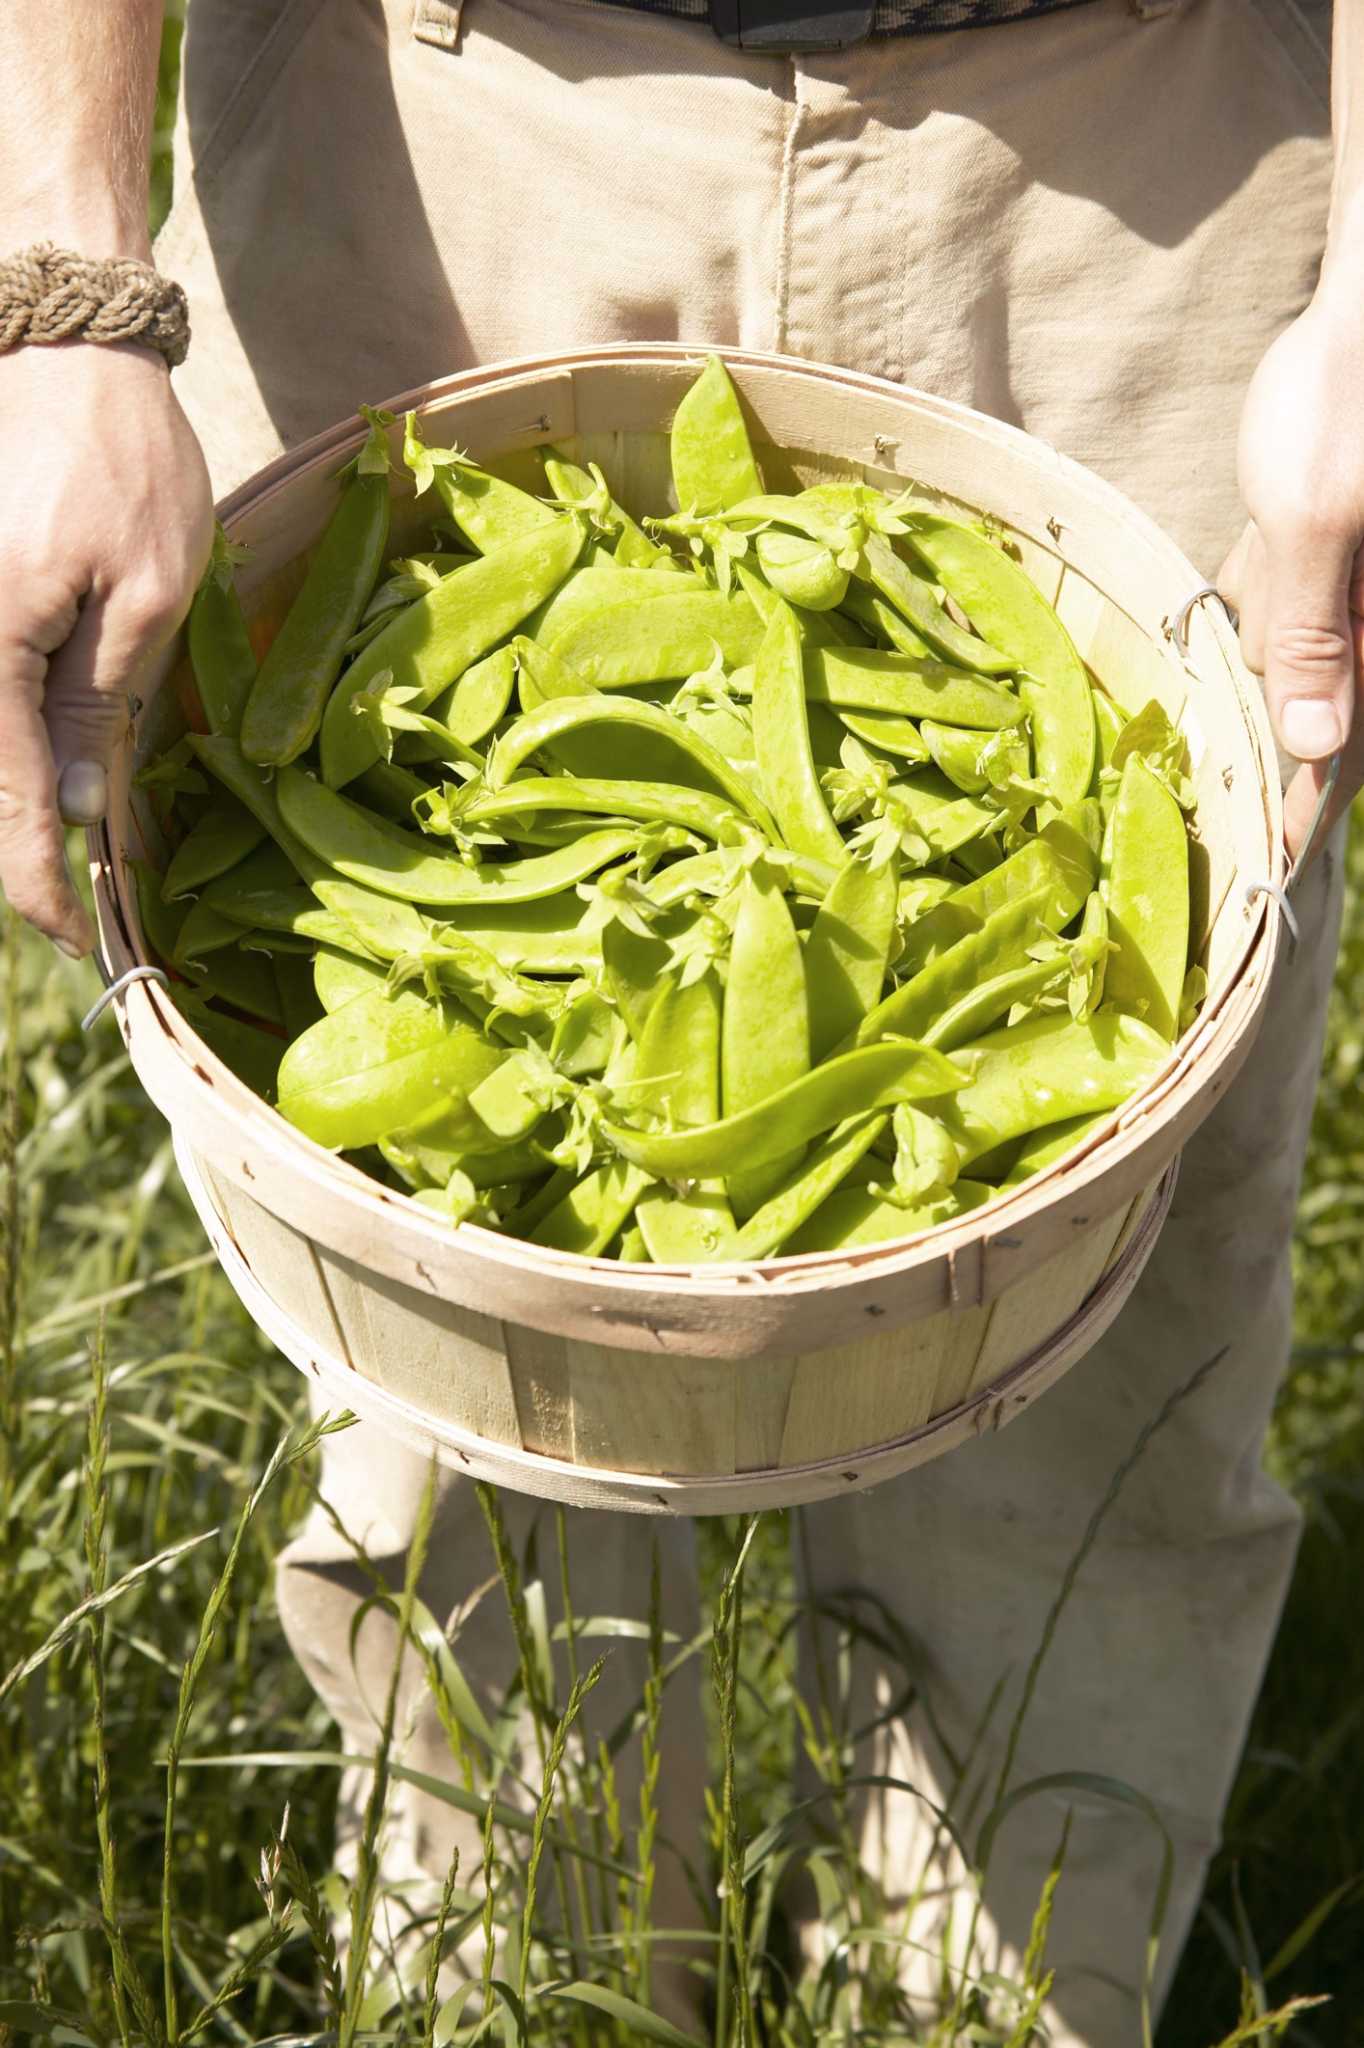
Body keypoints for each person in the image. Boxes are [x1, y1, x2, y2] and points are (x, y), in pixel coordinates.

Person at [0, 0, 1353, 2036]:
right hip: (453, 132)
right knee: (463, 1443)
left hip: (1164, 159)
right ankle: (521, 1999)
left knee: (1091, 1383)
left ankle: (995, 2007)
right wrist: (58, 284)